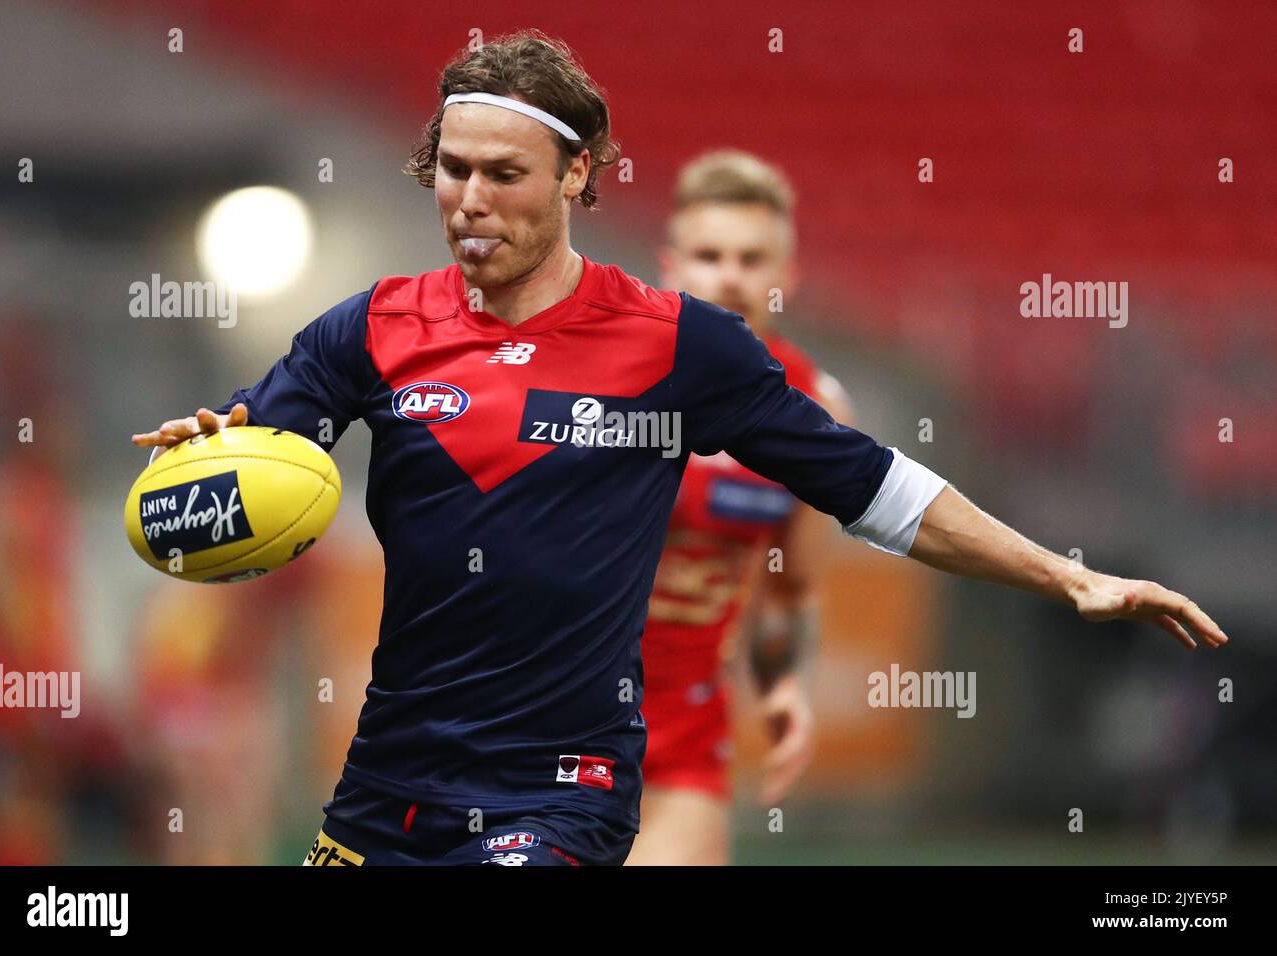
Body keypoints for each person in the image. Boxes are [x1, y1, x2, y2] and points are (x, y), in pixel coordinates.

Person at [130, 31, 1228, 867]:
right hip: (386, 778)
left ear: (576, 176)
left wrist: (1066, 574)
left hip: (561, 788)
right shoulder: (369, 325)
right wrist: (195, 476)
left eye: (503, 175)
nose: (469, 200)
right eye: (453, 169)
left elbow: (873, 486)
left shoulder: (674, 346)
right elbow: (255, 454)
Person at [629, 150, 853, 865]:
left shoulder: (814, 409)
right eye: (708, 254)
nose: (730, 275)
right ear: (670, 266)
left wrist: (784, 685)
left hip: (679, 746)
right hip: (538, 723)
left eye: (753, 258)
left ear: (786, 277)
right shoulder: (602, 382)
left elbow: (790, 591)